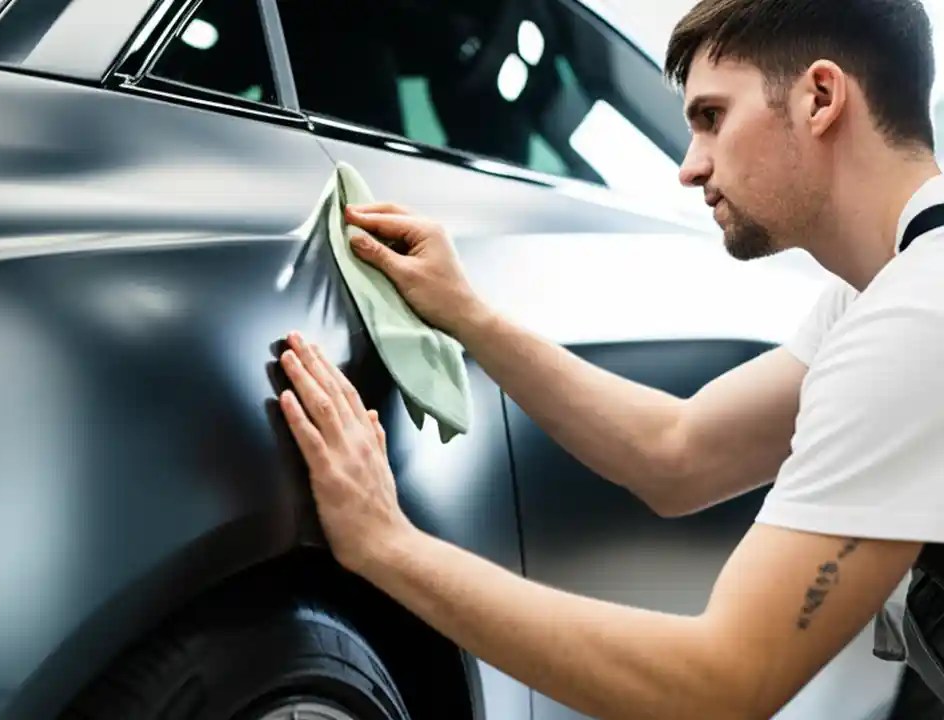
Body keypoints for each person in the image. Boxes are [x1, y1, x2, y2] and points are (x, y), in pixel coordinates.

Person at [275, 0, 944, 717]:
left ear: (819, 97)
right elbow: (677, 453)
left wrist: (387, 547)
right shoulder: (888, 290)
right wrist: (467, 315)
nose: (689, 168)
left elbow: (721, 685)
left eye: (712, 117)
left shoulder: (916, 316)